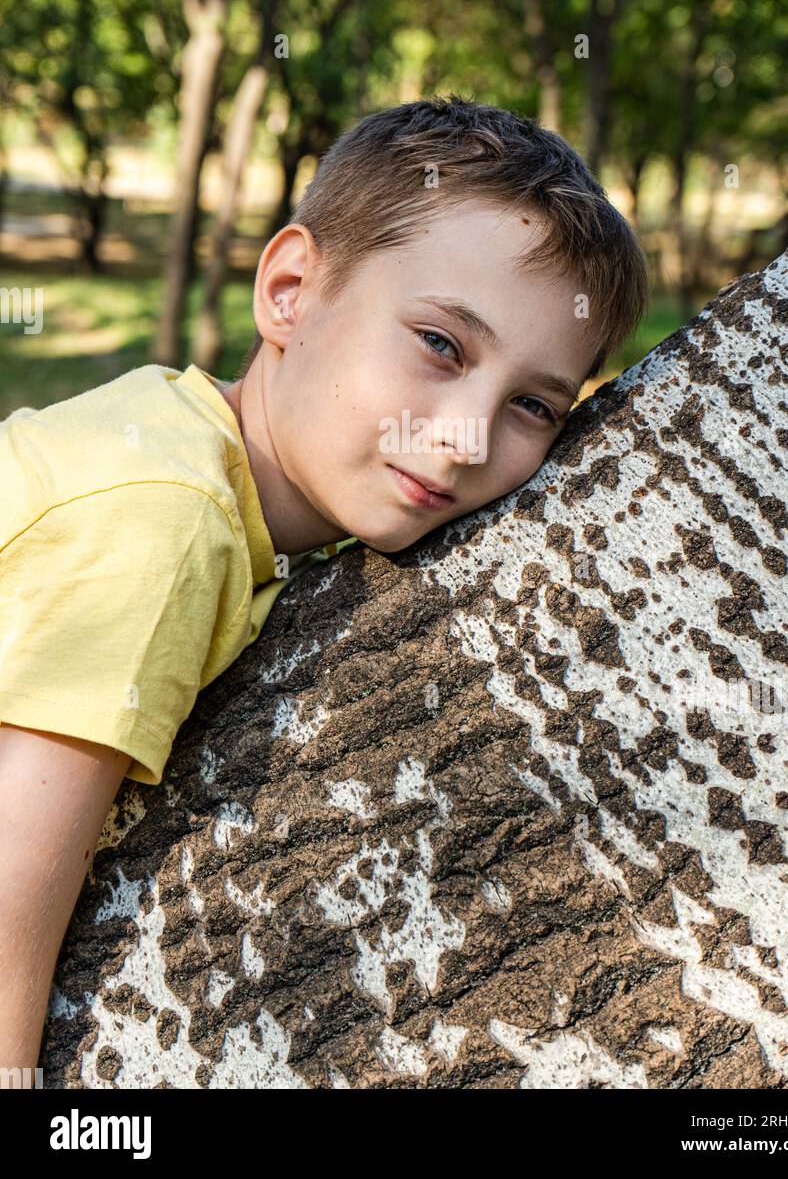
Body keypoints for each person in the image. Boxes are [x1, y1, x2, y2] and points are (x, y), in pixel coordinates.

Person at [0, 94, 648, 1079]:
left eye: (529, 404)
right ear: (291, 289)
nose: (465, 435)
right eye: (440, 344)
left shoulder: (176, 439)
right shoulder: (166, 521)